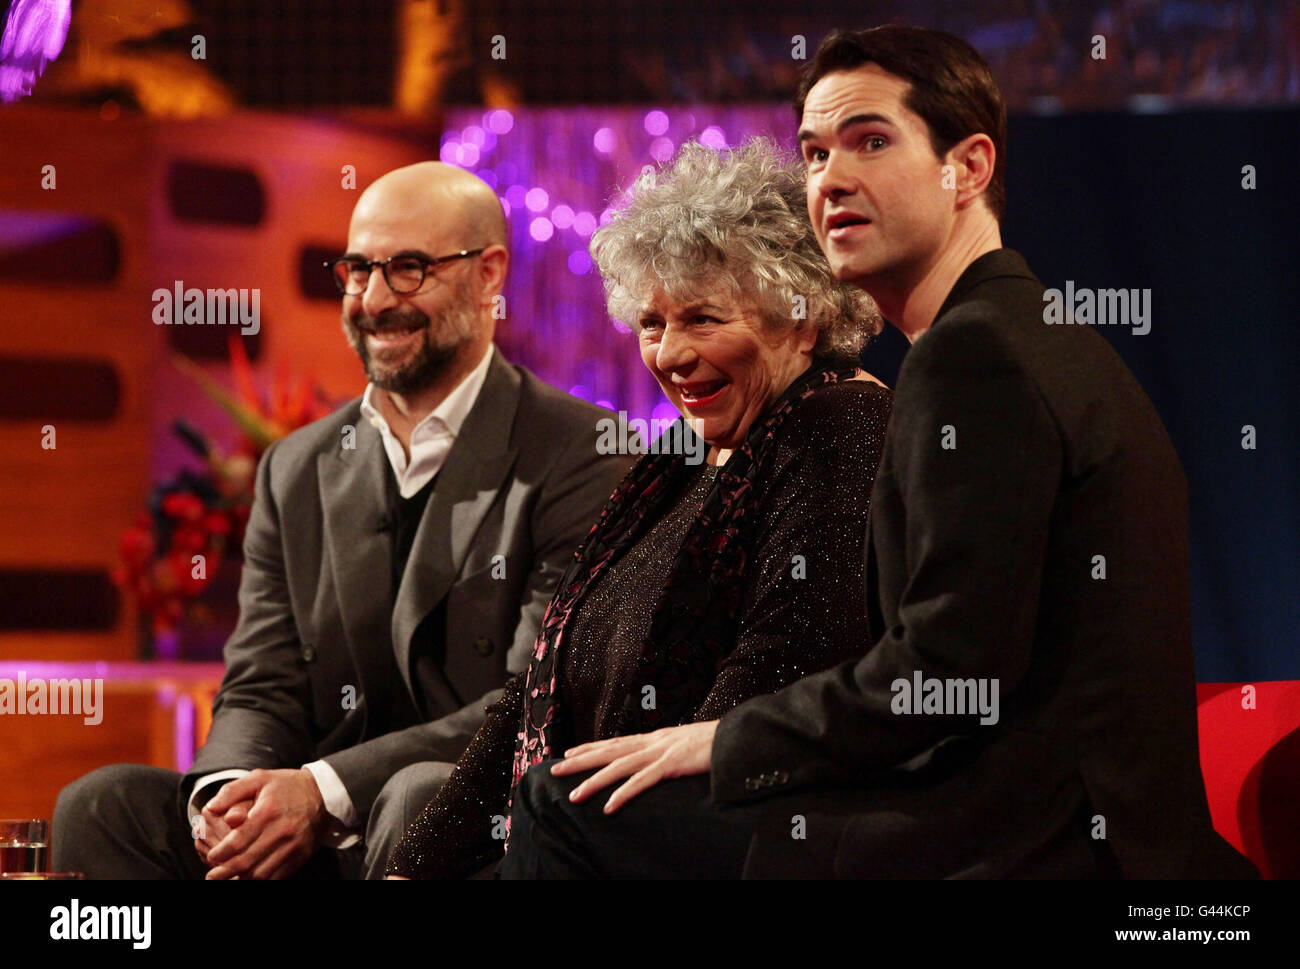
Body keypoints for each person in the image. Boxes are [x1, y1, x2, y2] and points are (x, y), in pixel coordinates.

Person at [499, 25, 1260, 880]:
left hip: (1038, 843)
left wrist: (725, 739)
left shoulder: (975, 355)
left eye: (870, 141)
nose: (831, 180)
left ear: (967, 168)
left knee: (564, 811)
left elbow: (949, 672)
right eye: (815, 153)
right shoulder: (1022, 332)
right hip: (1056, 819)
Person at [52, 162, 632, 880]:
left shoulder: (583, 454)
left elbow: (530, 703)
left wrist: (323, 791)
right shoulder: (294, 466)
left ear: (489, 275)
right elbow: (261, 683)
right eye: (358, 270)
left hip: (464, 821)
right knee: (101, 807)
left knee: (417, 795)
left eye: (409, 269)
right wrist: (228, 795)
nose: (375, 299)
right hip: (309, 835)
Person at [385, 138, 890, 878]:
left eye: (705, 319)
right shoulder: (674, 460)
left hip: (701, 835)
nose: (671, 353)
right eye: (653, 323)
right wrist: (416, 862)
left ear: (802, 319)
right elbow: (532, 685)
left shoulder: (837, 423)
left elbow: (783, 665)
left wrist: (570, 808)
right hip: (575, 820)